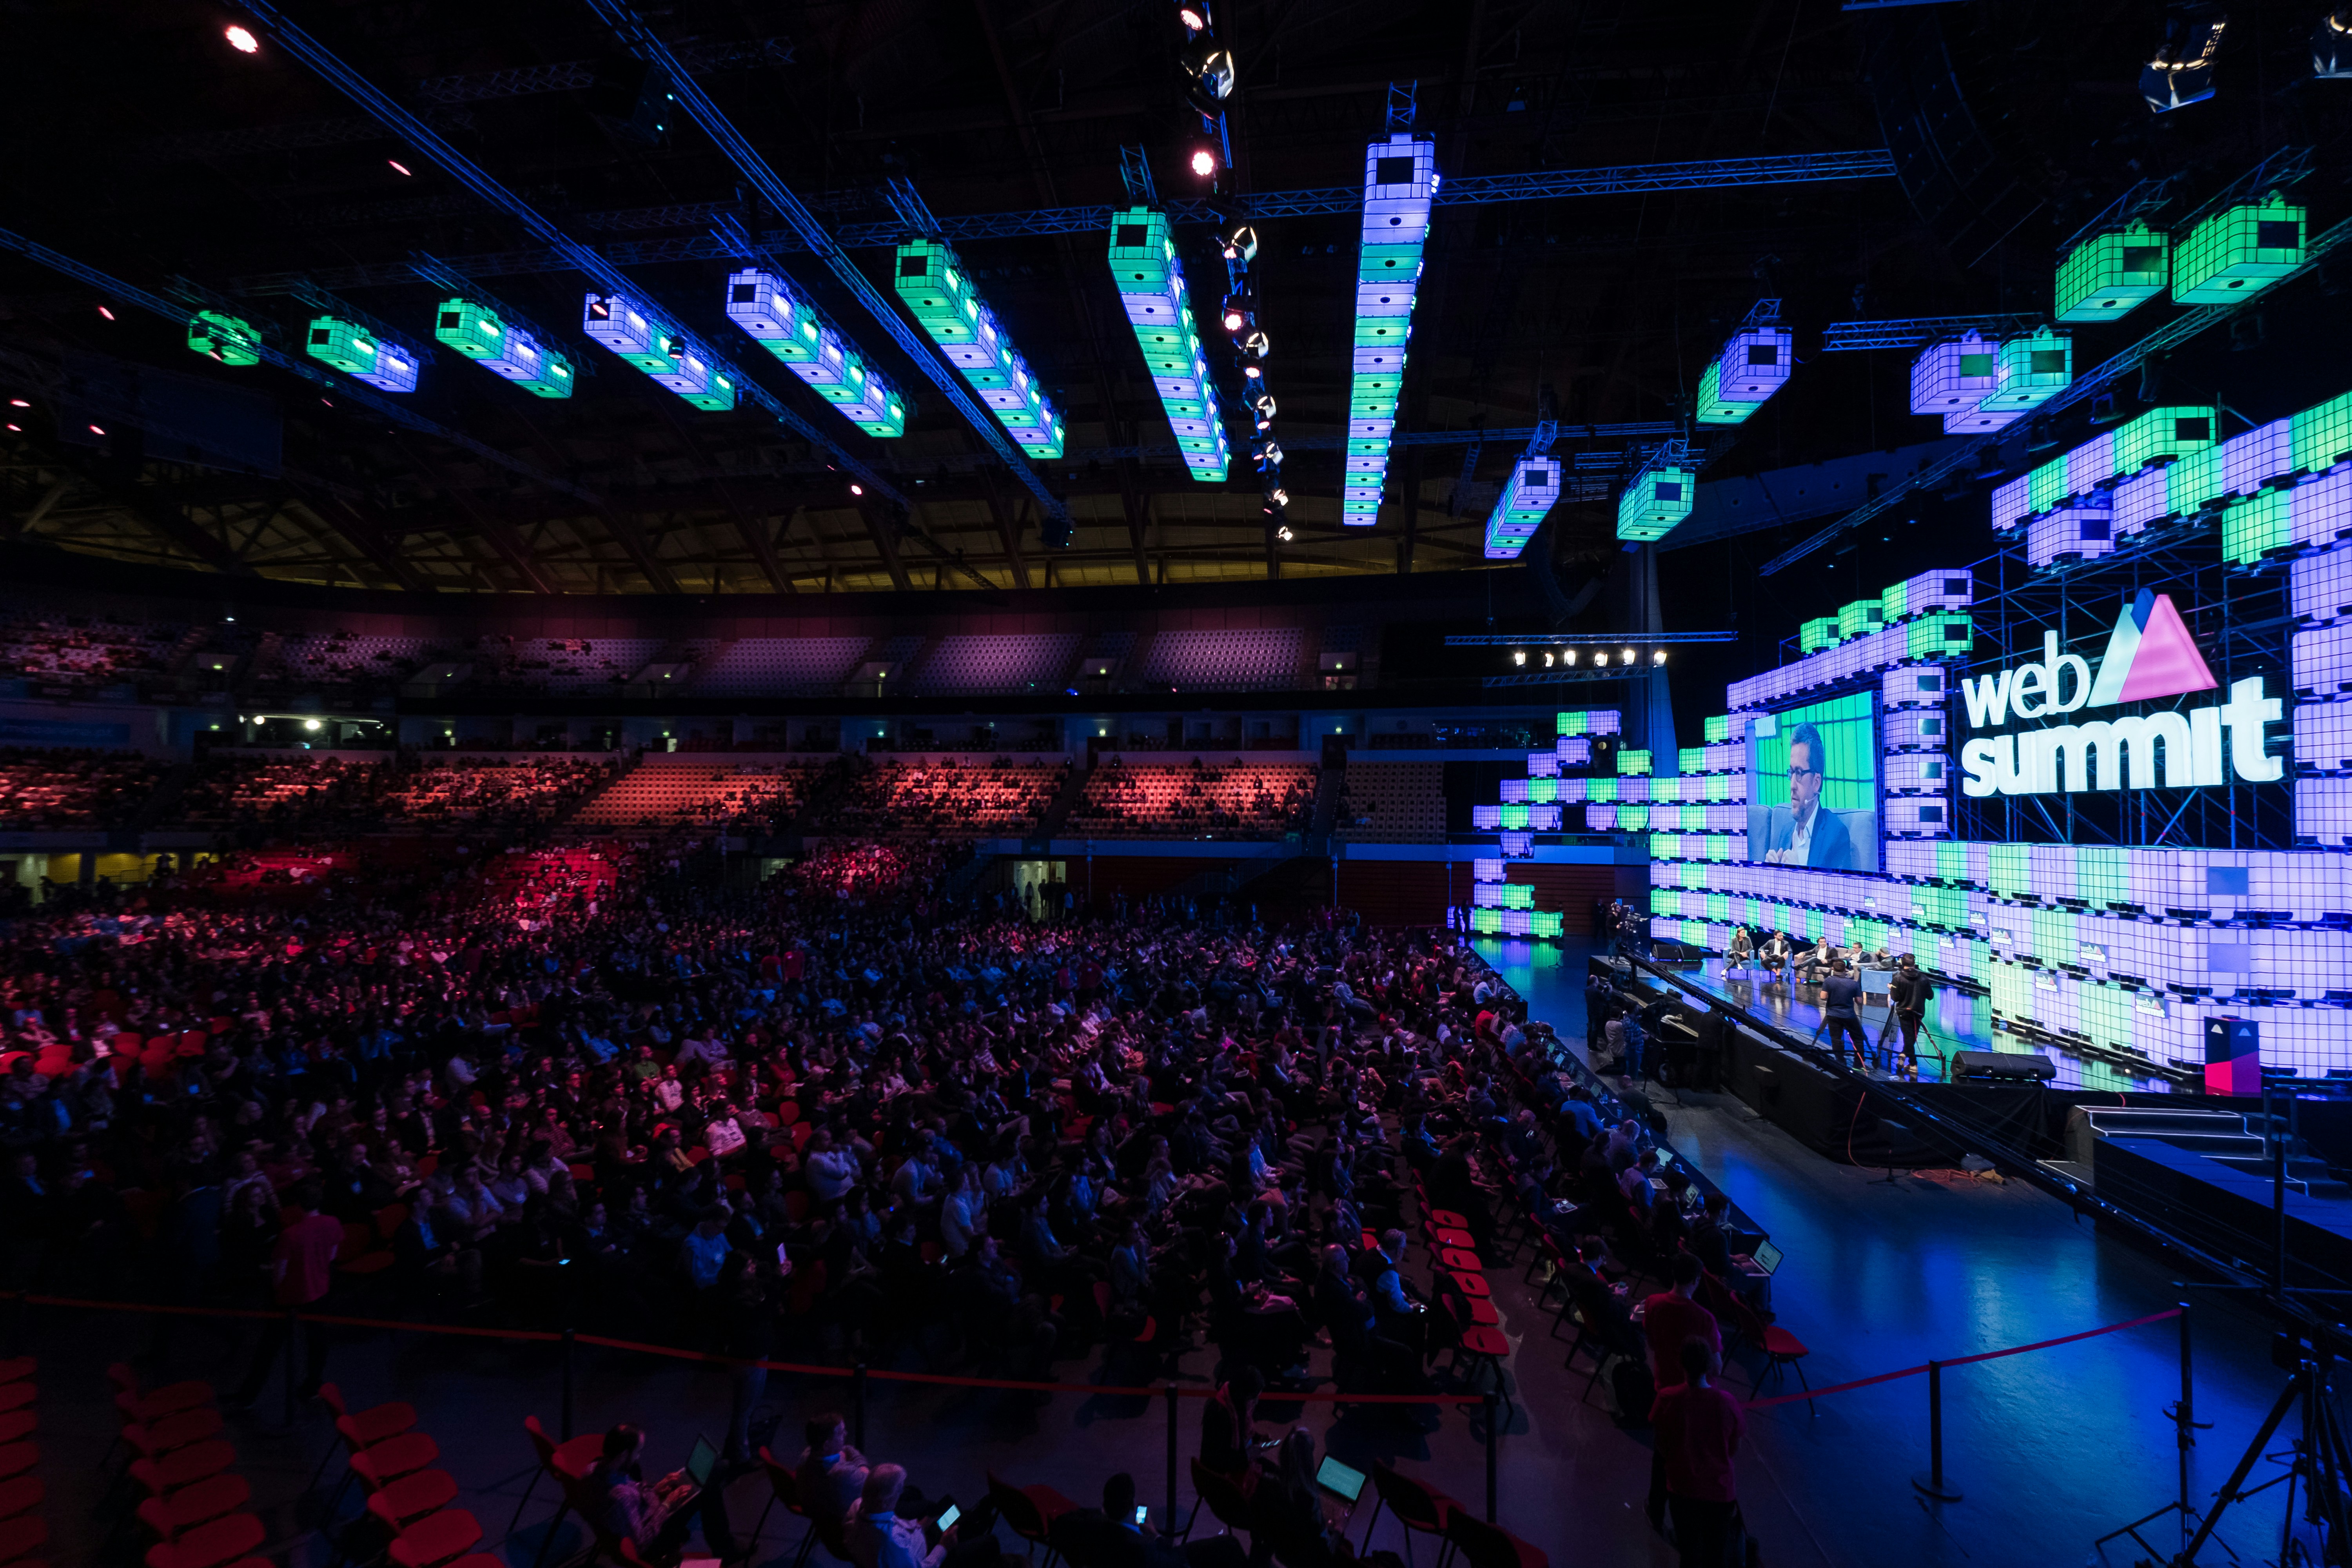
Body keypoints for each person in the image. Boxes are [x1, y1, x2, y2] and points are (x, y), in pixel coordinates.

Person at [227, 1179, 341, 1409]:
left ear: (298, 1204)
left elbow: (279, 1274)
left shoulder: (291, 1234)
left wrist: (278, 1291)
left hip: (290, 1295)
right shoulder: (333, 1223)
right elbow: (332, 1256)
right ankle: (312, 1387)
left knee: (269, 1347)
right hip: (320, 1290)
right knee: (317, 1343)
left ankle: (248, 1396)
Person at [1651, 1337, 1747, 1566]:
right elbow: (1734, 1447)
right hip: (1720, 1492)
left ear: (1681, 1363)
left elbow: (1661, 1445)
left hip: (1682, 1489)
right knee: (1716, 1555)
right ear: (1709, 1365)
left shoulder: (1667, 1398)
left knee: (1689, 1553)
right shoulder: (1726, 1402)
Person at [584, 1422, 720, 1562]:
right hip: (649, 1544)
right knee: (707, 1489)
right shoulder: (621, 1497)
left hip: (643, 1511)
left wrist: (655, 1489)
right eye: (638, 1452)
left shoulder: (592, 1469)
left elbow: (633, 1499)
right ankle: (724, 1550)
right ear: (624, 1455)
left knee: (711, 1478)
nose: (638, 1457)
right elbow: (642, 1543)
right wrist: (667, 1505)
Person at [1759, 722, 1857, 871]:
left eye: (1799, 773)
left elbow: (1838, 886)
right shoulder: (1786, 832)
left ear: (1816, 783)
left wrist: (1800, 872)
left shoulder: (1836, 835)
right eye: (1792, 772)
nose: (1792, 785)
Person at [845, 1463, 952, 1568]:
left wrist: (920, 1526)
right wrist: (943, 1547)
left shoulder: (856, 1506)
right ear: (885, 1502)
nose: (901, 1492)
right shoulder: (892, 1541)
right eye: (899, 1490)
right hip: (919, 1555)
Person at [795, 1411, 868, 1540]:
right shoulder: (842, 1475)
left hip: (822, 1523)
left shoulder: (806, 1456)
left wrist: (842, 1453)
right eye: (841, 1433)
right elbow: (868, 1478)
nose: (846, 1434)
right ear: (827, 1445)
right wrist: (852, 1455)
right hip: (849, 1535)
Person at [1879, 954, 1931, 1079]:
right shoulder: (1924, 978)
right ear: (1914, 963)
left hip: (1904, 1012)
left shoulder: (1897, 978)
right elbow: (1930, 996)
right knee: (1911, 1037)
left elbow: (1896, 998)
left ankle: (1913, 1064)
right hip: (1918, 1012)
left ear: (1902, 964)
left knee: (1909, 1037)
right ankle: (1903, 1055)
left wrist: (1891, 988)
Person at [1817, 961, 1866, 1069]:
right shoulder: (1854, 984)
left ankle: (1841, 1063)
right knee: (1858, 1039)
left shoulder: (1829, 981)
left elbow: (1823, 997)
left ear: (1833, 969)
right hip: (1849, 1016)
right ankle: (1858, 1065)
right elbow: (1859, 1001)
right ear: (1845, 969)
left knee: (1836, 1039)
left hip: (1833, 1015)